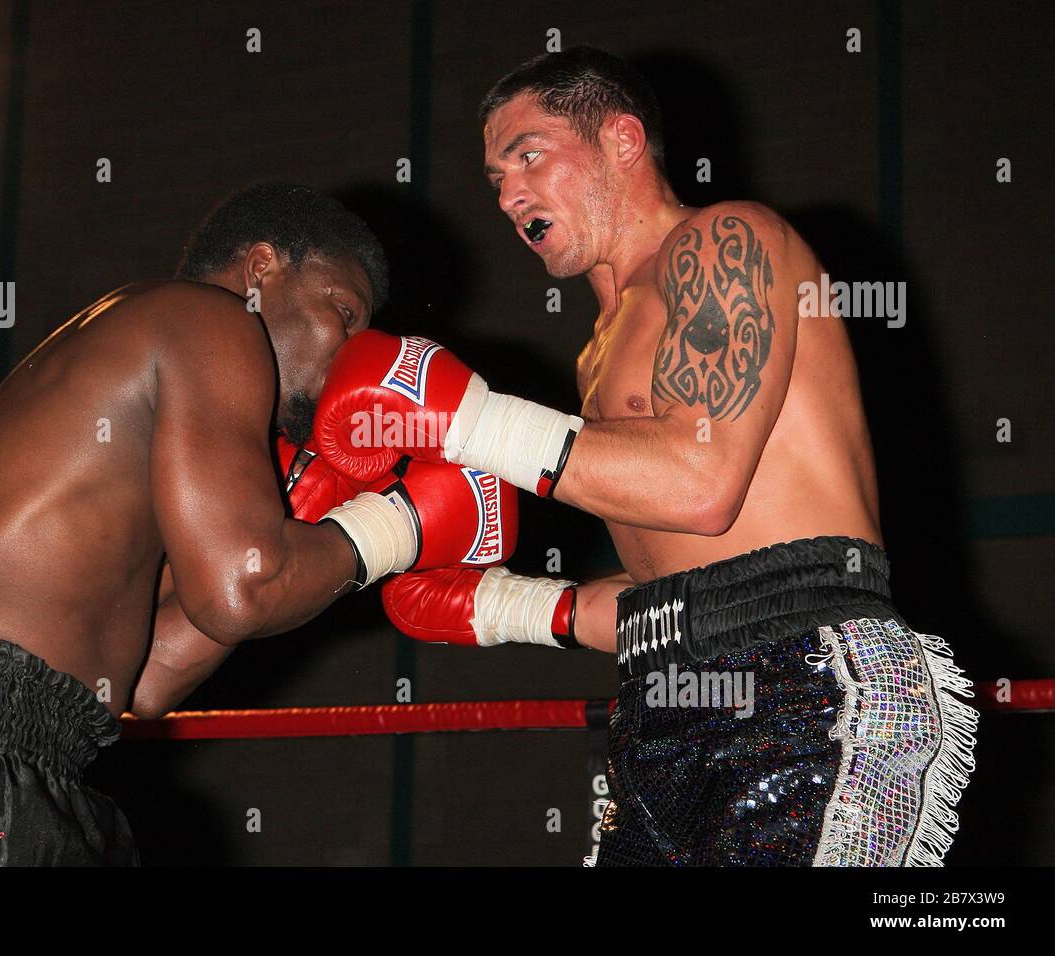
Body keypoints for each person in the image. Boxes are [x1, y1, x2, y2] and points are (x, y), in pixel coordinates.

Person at [311, 49, 977, 866]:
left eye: (529, 154)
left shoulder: (726, 240)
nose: (510, 193)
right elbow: (685, 588)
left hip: (812, 681)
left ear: (622, 141)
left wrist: (465, 421)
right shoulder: (595, 359)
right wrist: (509, 608)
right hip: (666, 704)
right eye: (494, 179)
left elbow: (702, 487)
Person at [0, 183, 514, 866]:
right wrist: (400, 524)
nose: (349, 356)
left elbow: (148, 680)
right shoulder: (208, 319)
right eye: (346, 314)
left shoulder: (146, 380)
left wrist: (307, 521)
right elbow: (244, 587)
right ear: (262, 266)